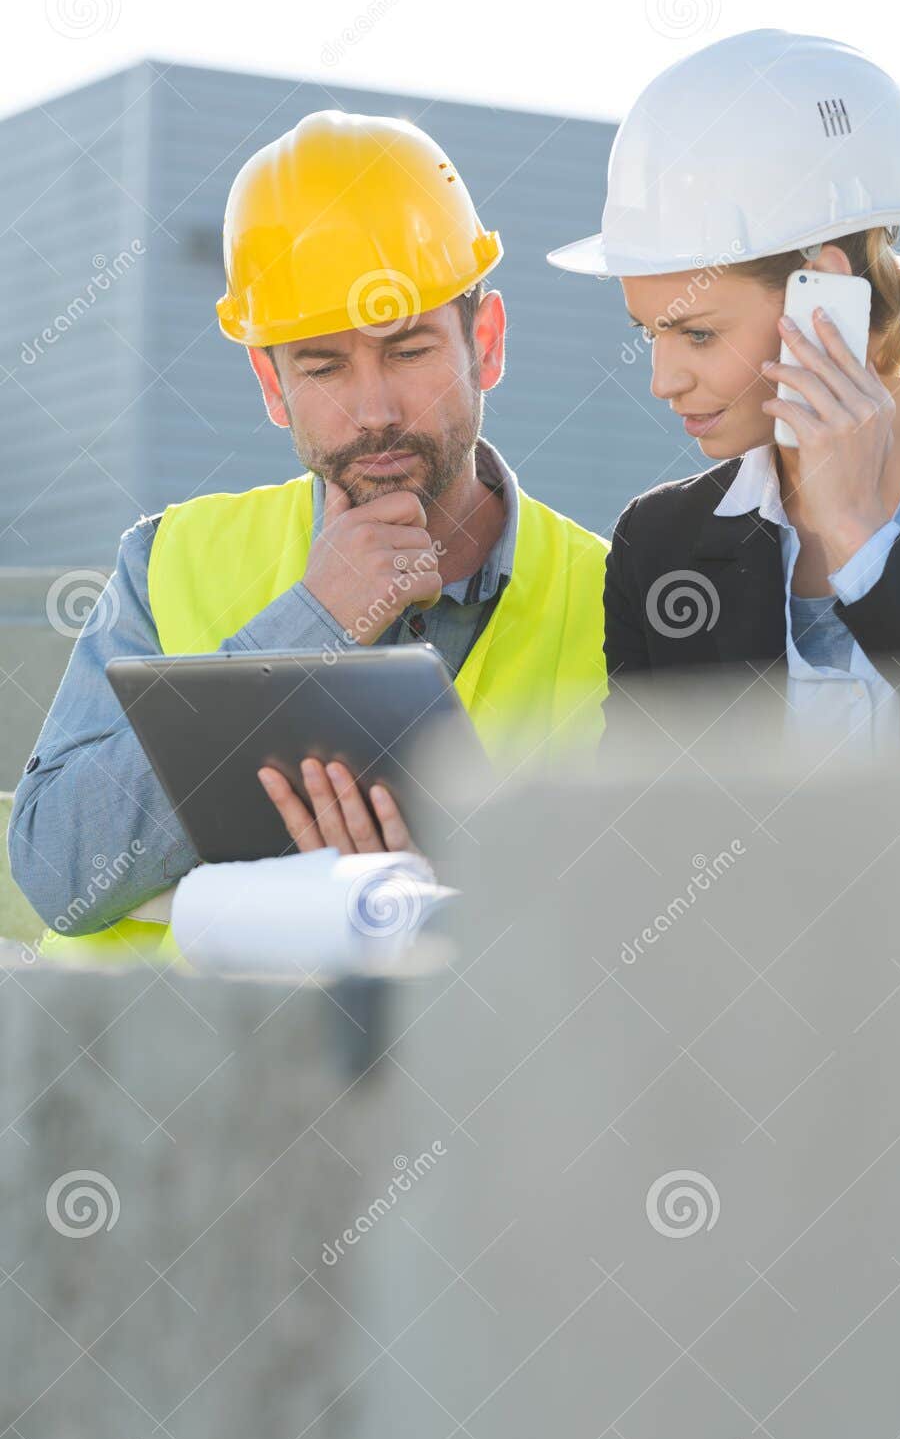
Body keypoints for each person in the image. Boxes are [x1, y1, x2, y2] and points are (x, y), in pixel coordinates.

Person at [9, 112, 609, 964]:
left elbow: (657, 931)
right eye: (323, 367)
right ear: (271, 383)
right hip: (173, 1092)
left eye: (407, 350)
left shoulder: (618, 597)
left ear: (486, 341)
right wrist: (315, 622)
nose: (374, 412)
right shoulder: (172, 560)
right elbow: (57, 874)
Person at [547, 29, 900, 751]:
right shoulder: (658, 545)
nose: (663, 382)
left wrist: (861, 539)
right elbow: (653, 839)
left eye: (696, 333)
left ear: (822, 292)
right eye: (650, 333)